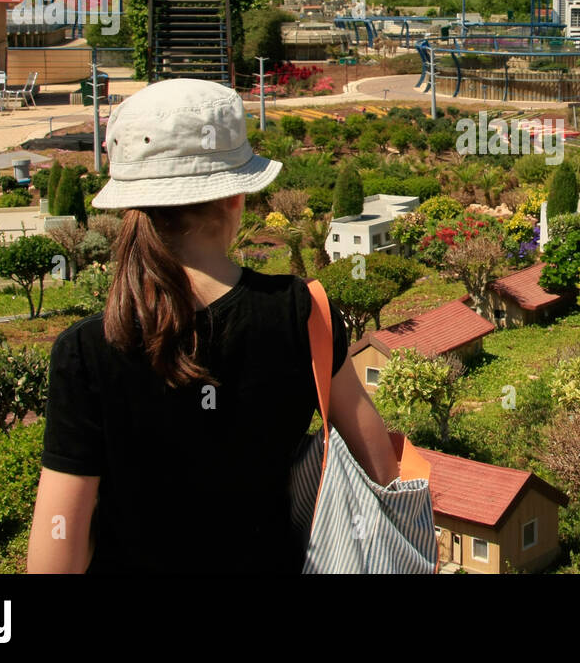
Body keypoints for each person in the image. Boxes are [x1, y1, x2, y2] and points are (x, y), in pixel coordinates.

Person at [27, 78, 398, 574]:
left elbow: (60, 538)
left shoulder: (89, 348)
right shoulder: (300, 312)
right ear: (236, 196)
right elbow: (382, 470)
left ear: (130, 204)